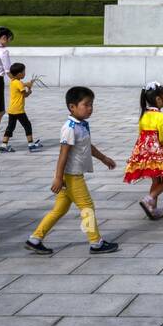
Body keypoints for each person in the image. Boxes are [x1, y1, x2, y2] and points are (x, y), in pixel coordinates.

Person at [25, 86, 119, 255]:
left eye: (91, 104)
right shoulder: (69, 128)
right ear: (72, 107)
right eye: (86, 105)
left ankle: (35, 239)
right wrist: (58, 178)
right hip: (72, 176)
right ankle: (96, 242)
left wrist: (104, 158)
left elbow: (87, 146)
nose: (90, 108)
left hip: (72, 176)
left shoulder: (81, 125)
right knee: (87, 207)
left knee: (59, 209)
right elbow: (63, 154)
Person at [125, 82, 163, 219]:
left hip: (145, 152)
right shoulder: (162, 117)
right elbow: (162, 139)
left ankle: (152, 208)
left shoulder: (144, 115)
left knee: (155, 181)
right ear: (158, 100)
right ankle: (149, 198)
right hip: (159, 153)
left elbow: (142, 135)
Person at [2, 62, 42, 153]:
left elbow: (21, 85)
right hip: (18, 110)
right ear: (20, 74)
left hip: (11, 109)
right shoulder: (19, 83)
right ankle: (31, 144)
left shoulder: (12, 81)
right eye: (24, 72)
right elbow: (25, 95)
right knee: (27, 125)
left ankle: (4, 144)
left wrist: (27, 84)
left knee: (10, 127)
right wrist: (30, 90)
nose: (25, 73)